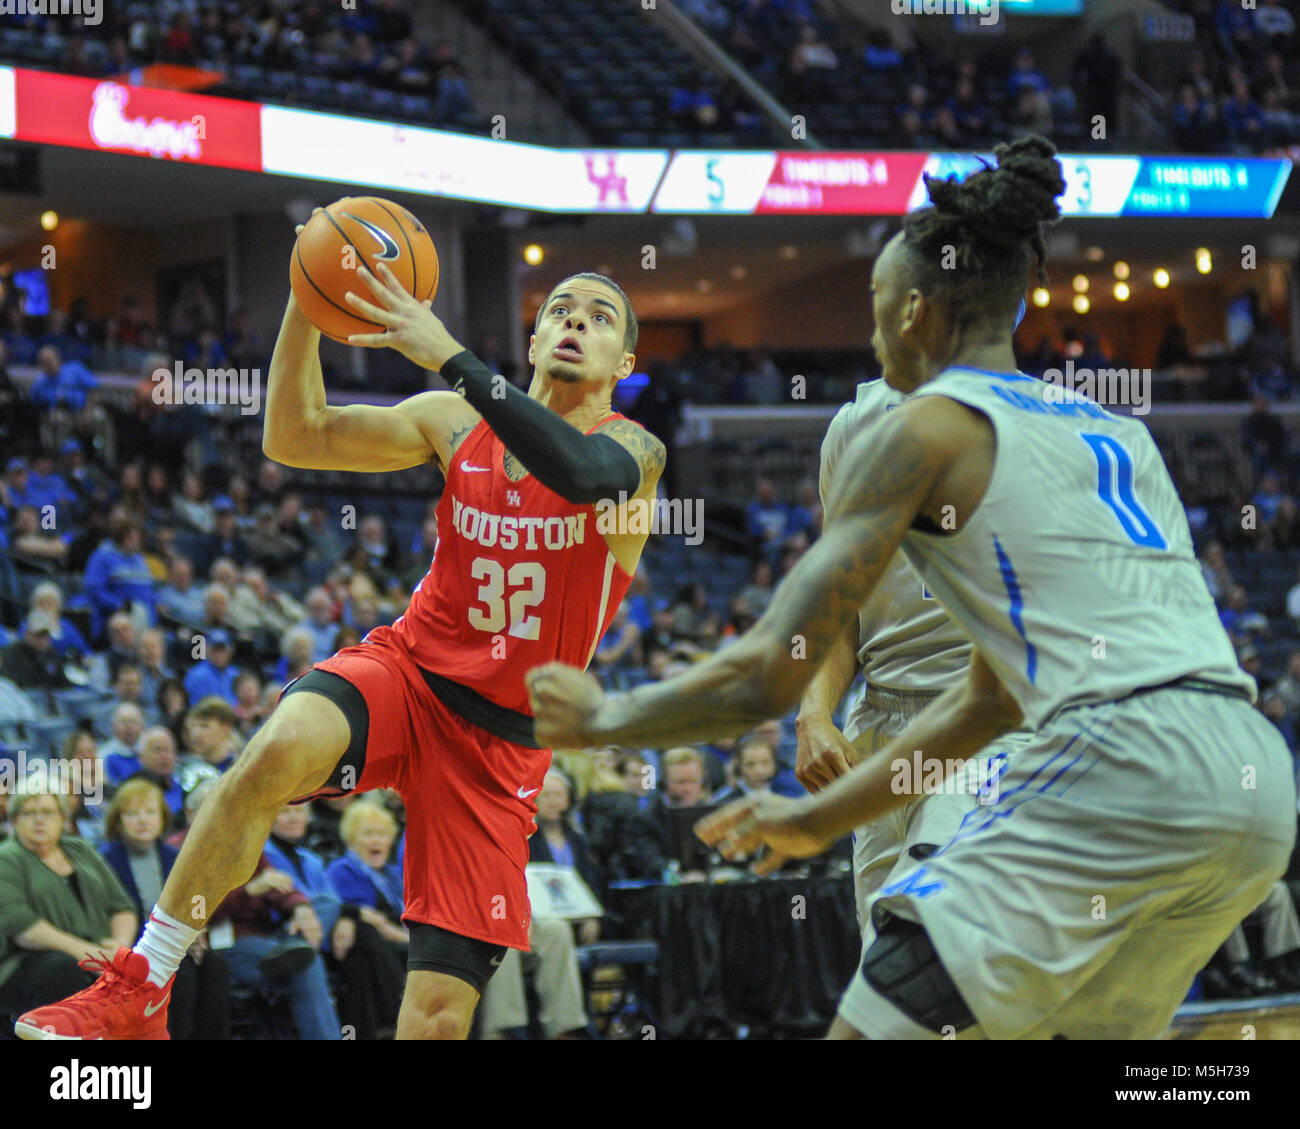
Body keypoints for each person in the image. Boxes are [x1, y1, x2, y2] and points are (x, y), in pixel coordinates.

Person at [528, 135, 1297, 1041]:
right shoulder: (1114, 429)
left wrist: (607, 718)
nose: (874, 325)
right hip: (1249, 777)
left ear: (919, 311)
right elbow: (990, 696)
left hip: (1109, 763)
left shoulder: (925, 425)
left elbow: (768, 670)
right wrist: (817, 817)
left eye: (878, 303)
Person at [20, 256, 664, 1041]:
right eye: (562, 308)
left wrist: (450, 356)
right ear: (533, 338)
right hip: (410, 672)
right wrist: (306, 299)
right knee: (272, 751)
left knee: (433, 1018)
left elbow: (581, 472)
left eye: (600, 318)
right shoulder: (451, 421)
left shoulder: (633, 449)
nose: (575, 322)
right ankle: (146, 979)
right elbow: (295, 433)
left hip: (501, 745)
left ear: (624, 363)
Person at [97, 779, 230, 1039]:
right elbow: (108, 913)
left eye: (150, 812)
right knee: (183, 972)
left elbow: (196, 902)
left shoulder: (176, 855)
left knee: (216, 966)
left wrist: (196, 932)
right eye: (132, 814)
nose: (142, 820)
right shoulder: (105, 860)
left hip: (176, 943)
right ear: (118, 820)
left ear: (162, 817)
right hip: (135, 947)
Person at [1, 784, 138, 1033]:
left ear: (63, 817)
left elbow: (122, 907)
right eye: (29, 813)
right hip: (28, 963)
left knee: (173, 969)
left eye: (48, 812)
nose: (39, 820)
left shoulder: (80, 849)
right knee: (63, 968)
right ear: (14, 820)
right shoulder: (7, 859)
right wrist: (91, 955)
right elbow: (24, 929)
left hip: (100, 953)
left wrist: (118, 948)